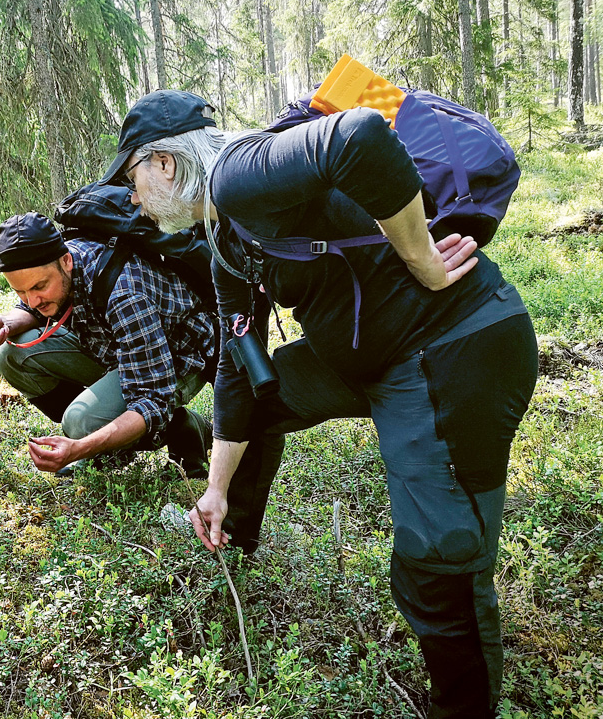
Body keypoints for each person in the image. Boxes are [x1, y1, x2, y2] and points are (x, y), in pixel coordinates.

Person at [102, 89, 538, 718]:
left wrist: (424, 262)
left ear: (165, 163)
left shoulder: (237, 175)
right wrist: (216, 487)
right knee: (260, 395)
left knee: (437, 561)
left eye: (133, 178)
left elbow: (358, 134)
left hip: (450, 351)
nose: (133, 197)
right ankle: (234, 526)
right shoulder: (222, 234)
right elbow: (236, 358)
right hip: (368, 359)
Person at [0, 211, 232, 480]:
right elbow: (37, 310)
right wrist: (5, 324)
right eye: (21, 291)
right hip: (112, 349)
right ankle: (115, 437)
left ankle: (181, 427)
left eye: (39, 286)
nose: (32, 300)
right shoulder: (59, 265)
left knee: (79, 422)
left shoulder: (125, 294)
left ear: (66, 261)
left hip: (172, 359)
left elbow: (151, 399)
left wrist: (81, 448)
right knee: (11, 354)